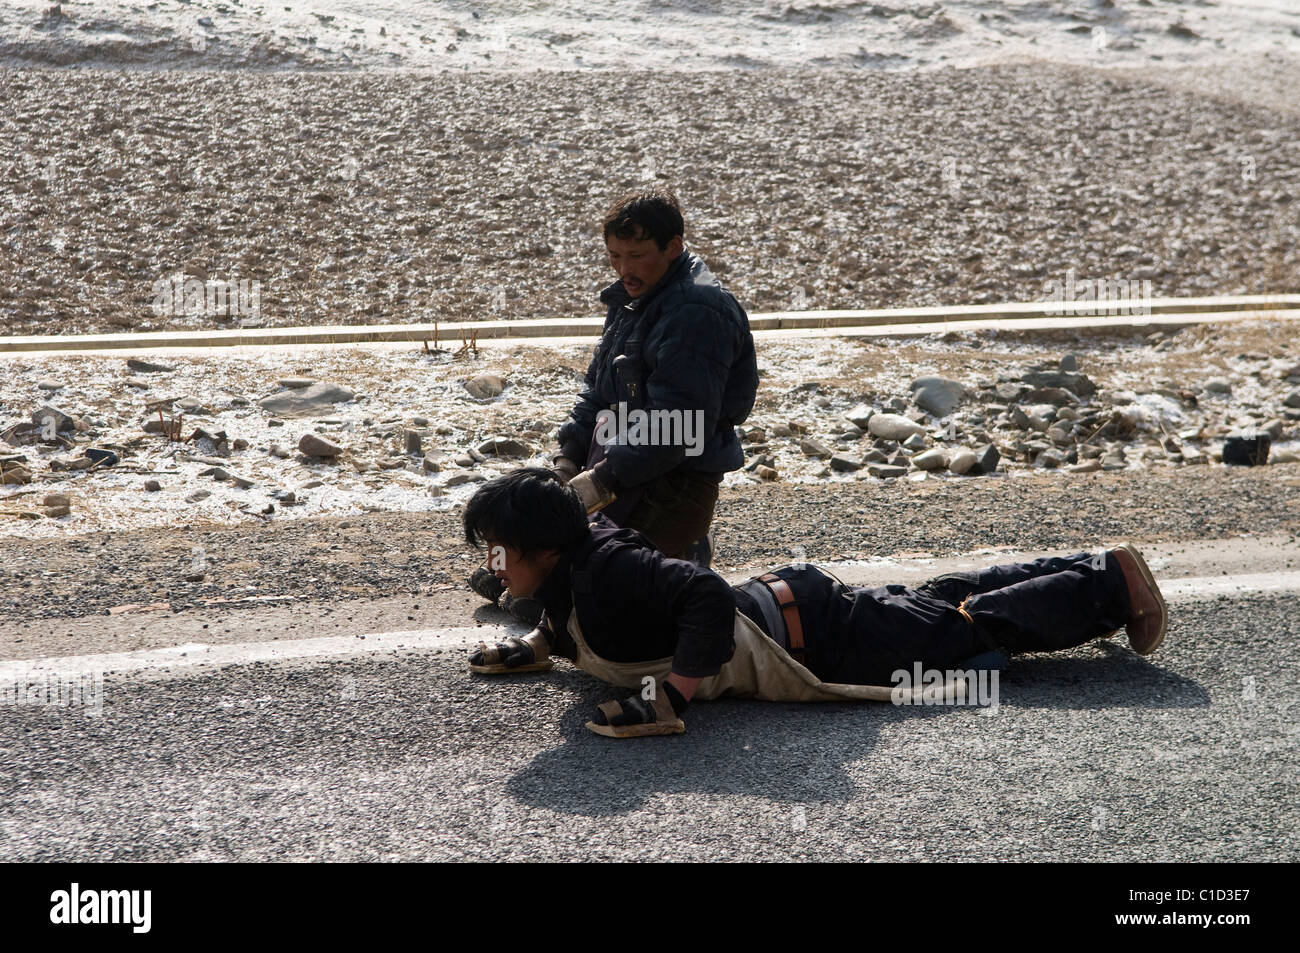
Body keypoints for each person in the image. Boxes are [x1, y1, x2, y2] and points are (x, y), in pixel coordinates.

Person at [463, 469, 1169, 738]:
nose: (491, 564)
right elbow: (568, 616)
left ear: (545, 547)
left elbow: (703, 592)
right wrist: (535, 647)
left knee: (964, 629)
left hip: (814, 638)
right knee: (934, 603)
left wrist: (671, 697)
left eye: (499, 548)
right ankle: (1096, 567)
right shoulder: (568, 567)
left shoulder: (609, 567)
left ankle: (1110, 581)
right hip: (799, 606)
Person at [469, 187, 758, 623]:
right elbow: (597, 391)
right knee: (505, 562)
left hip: (675, 480)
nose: (624, 269)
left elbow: (680, 428)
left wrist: (596, 484)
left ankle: (684, 549)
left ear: (674, 247)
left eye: (637, 255)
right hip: (617, 463)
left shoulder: (698, 312)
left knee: (578, 594)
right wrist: (565, 466)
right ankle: (659, 550)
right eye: (615, 256)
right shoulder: (633, 297)